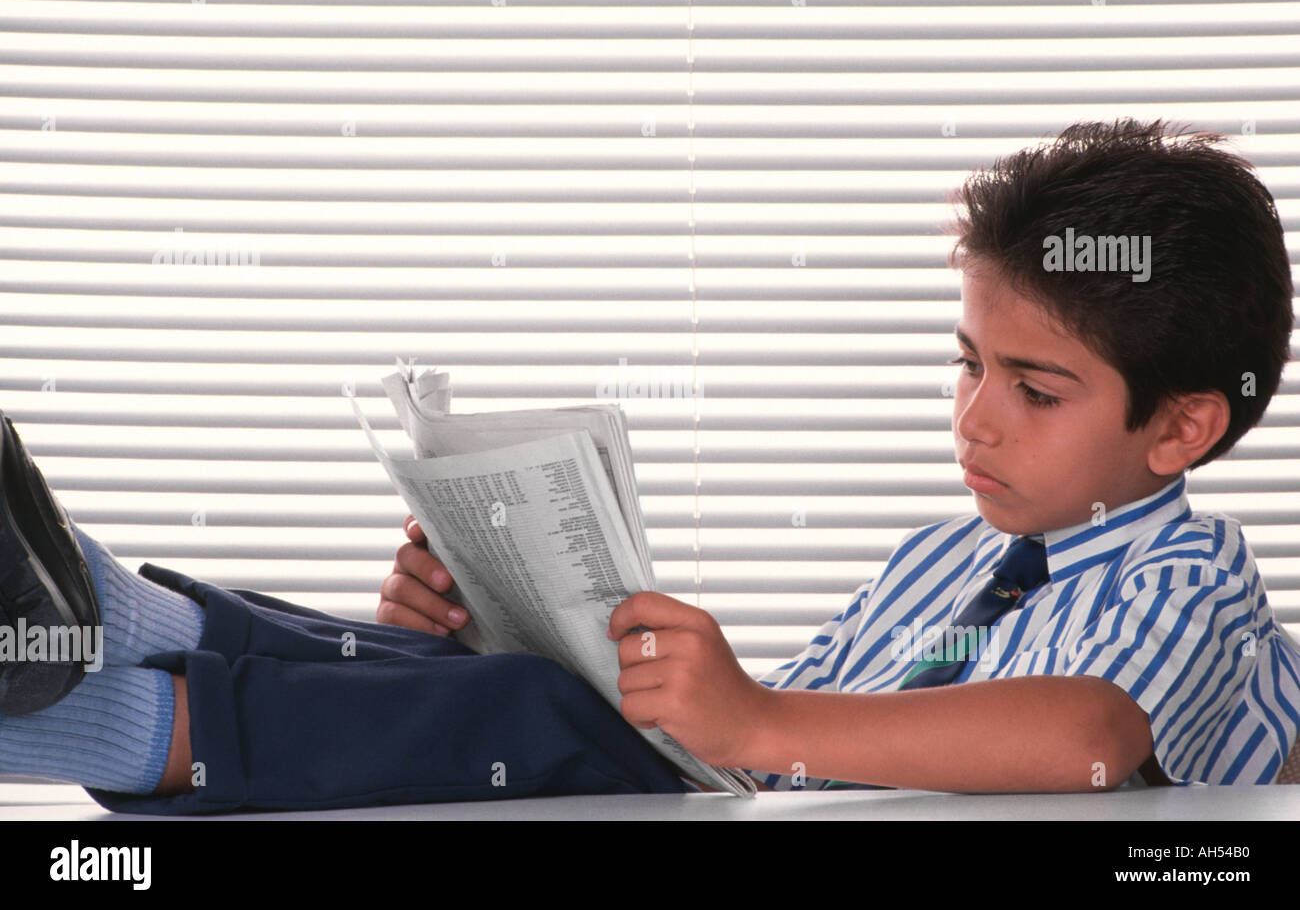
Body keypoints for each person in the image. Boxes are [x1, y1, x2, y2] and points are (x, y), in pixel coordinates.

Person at [0, 118, 1296, 814]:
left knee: (536, 718)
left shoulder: (1190, 575)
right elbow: (812, 725)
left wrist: (757, 721)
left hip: (756, 792)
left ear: (1180, 429)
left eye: (1035, 389)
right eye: (969, 363)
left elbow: (1084, 734)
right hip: (749, 790)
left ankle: (87, 715)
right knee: (473, 669)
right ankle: (115, 620)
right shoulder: (948, 554)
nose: (977, 417)